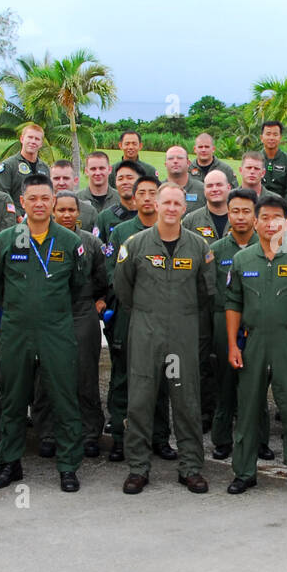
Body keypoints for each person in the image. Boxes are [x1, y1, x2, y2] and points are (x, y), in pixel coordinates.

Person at [0, 173, 91, 492]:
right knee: (12, 398)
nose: (38, 204)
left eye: (44, 199)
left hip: (56, 332)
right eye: (31, 198)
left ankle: (68, 466)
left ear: (53, 202)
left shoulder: (70, 243)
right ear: (22, 202)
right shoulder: (5, 240)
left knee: (64, 398)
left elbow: (77, 286)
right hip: (16, 332)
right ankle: (9, 462)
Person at [114, 183, 217, 495]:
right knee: (141, 400)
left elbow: (205, 291)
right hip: (146, 330)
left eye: (177, 203)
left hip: (184, 332)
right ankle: (138, 468)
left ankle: (190, 468)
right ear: (155, 205)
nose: (171, 208)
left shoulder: (199, 246)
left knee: (186, 401)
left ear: (184, 208)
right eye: (166, 203)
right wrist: (149, 313)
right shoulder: (135, 245)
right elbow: (122, 288)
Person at [225, 194, 287, 496]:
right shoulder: (243, 260)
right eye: (264, 217)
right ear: (256, 222)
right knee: (248, 407)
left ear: (286, 222)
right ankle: (244, 471)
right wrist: (232, 345)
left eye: (276, 218)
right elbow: (233, 303)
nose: (270, 223)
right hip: (252, 342)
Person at [102, 174, 173, 461]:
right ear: (133, 197)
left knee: (162, 378)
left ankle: (159, 437)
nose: (146, 197)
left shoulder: (169, 231)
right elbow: (111, 273)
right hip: (129, 314)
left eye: (152, 192)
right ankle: (120, 437)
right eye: (141, 192)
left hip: (163, 317)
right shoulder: (121, 233)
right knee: (123, 378)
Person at [34, 193, 110, 458]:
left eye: (71, 210)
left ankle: (90, 433)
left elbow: (103, 278)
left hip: (81, 312)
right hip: (50, 314)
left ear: (79, 213)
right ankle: (47, 433)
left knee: (85, 375)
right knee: (46, 376)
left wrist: (97, 302)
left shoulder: (91, 242)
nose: (66, 215)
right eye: (61, 210)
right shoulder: (42, 240)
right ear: (53, 212)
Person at [209, 188, 268, 460]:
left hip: (257, 323)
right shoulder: (215, 250)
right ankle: (222, 439)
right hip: (224, 321)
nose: (241, 217)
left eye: (246, 211)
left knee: (257, 382)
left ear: (255, 216)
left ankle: (261, 440)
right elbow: (207, 291)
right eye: (235, 211)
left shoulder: (268, 247)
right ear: (228, 213)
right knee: (225, 383)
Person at [0, 123, 50, 203]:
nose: (33, 141)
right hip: (15, 214)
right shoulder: (9, 165)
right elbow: (1, 196)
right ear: (22, 139)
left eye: (37, 139)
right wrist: (16, 215)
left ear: (41, 144)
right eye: (30, 137)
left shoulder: (45, 168)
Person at [183, 168, 232, 241]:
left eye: (219, 185)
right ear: (204, 190)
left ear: (228, 188)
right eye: (210, 186)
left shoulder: (241, 219)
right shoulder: (190, 221)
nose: (214, 189)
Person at [96, 160, 141, 237]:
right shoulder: (105, 217)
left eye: (130, 178)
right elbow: (97, 245)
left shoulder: (150, 215)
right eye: (120, 179)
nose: (125, 182)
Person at [258, 120, 287, 202]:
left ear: (280, 138)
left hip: (280, 205)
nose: (271, 138)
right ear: (262, 138)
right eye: (268, 134)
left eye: (275, 134)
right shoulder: (254, 160)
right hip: (257, 205)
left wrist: (283, 210)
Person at [162, 145, 207, 214]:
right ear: (165, 164)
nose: (175, 161)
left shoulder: (202, 189)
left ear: (188, 163)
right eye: (171, 158)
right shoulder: (158, 189)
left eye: (180, 158)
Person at [78, 151, 121, 220]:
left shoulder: (121, 199)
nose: (97, 173)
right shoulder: (76, 200)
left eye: (101, 168)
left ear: (109, 170)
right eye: (93, 169)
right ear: (86, 171)